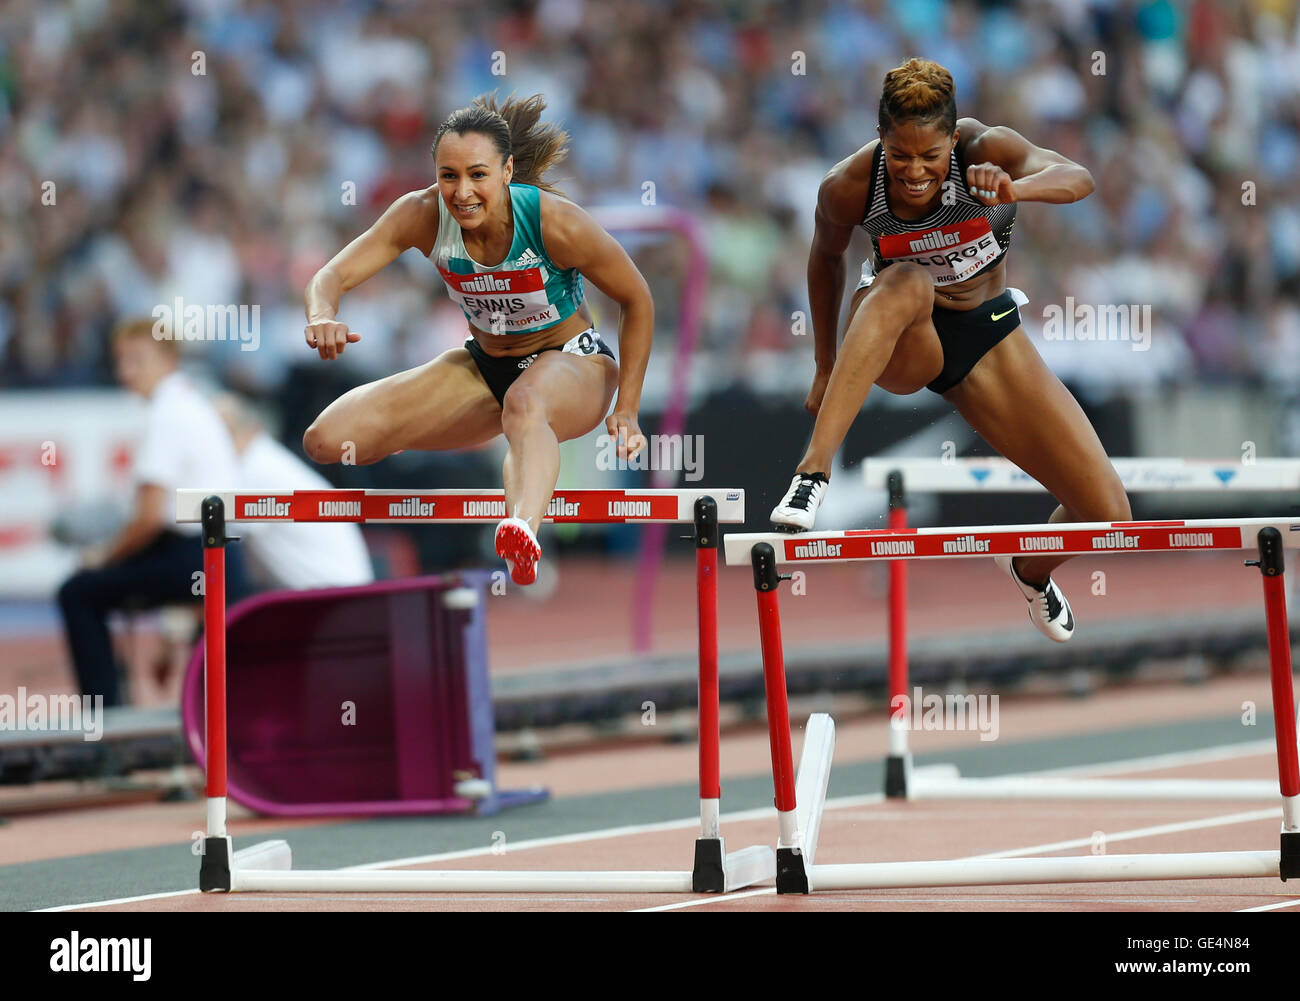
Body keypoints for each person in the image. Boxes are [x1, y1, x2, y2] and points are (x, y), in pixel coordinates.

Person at [769, 58, 1131, 643]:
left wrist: (1019, 188)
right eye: (901, 155)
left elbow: (1079, 177)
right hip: (903, 331)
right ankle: (812, 474)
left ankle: (1029, 571)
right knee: (907, 280)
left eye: (930, 157)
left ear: (953, 139)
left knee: (1107, 513)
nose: (915, 172)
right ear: (881, 138)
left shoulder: (989, 149)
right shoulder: (850, 185)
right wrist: (824, 363)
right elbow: (824, 258)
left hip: (985, 332)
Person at [301, 93, 652, 585]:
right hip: (488, 370)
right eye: (449, 176)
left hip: (574, 363)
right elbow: (331, 275)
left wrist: (628, 408)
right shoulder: (421, 215)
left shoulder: (554, 222)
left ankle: (521, 532)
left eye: (478, 175)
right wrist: (322, 314)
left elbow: (637, 299)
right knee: (327, 440)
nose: (462, 192)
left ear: (507, 171)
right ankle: (423, 436)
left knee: (527, 402)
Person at [57, 318, 249, 706]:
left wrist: (102, 556)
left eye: (137, 360)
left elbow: (146, 519)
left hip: (199, 555)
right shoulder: (190, 403)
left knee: (77, 591)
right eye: (121, 361)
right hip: (221, 554)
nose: (126, 372)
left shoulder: (168, 413)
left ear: (169, 360)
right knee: (105, 582)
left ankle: (105, 718)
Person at [215, 394, 376, 591]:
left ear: (248, 429)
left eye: (221, 434)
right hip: (331, 595)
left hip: (331, 599)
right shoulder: (265, 460)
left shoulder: (257, 467)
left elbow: (221, 547)